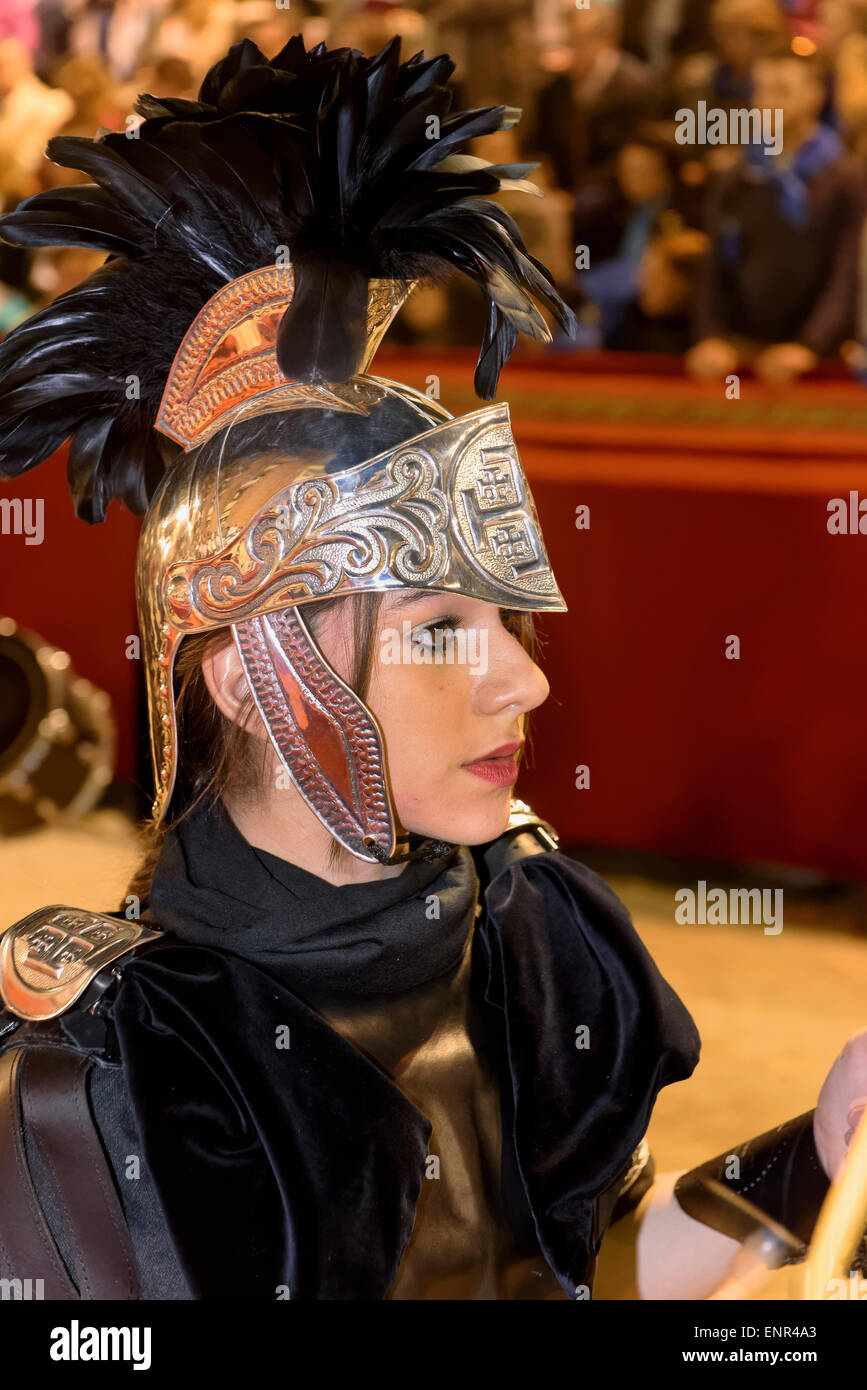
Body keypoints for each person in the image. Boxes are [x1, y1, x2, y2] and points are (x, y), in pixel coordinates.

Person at [0, 33, 864, 1303]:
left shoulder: (528, 932)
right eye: (442, 630)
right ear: (256, 676)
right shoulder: (118, 1070)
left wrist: (810, 1165)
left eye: (506, 625)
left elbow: (580, 1279)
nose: (527, 683)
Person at [687, 44, 867, 384]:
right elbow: (714, 267)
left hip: (816, 359)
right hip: (739, 352)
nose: (768, 103)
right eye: (762, 90)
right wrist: (711, 336)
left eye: (782, 91)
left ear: (815, 95)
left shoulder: (843, 177)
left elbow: (847, 272)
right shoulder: (737, 177)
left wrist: (810, 344)